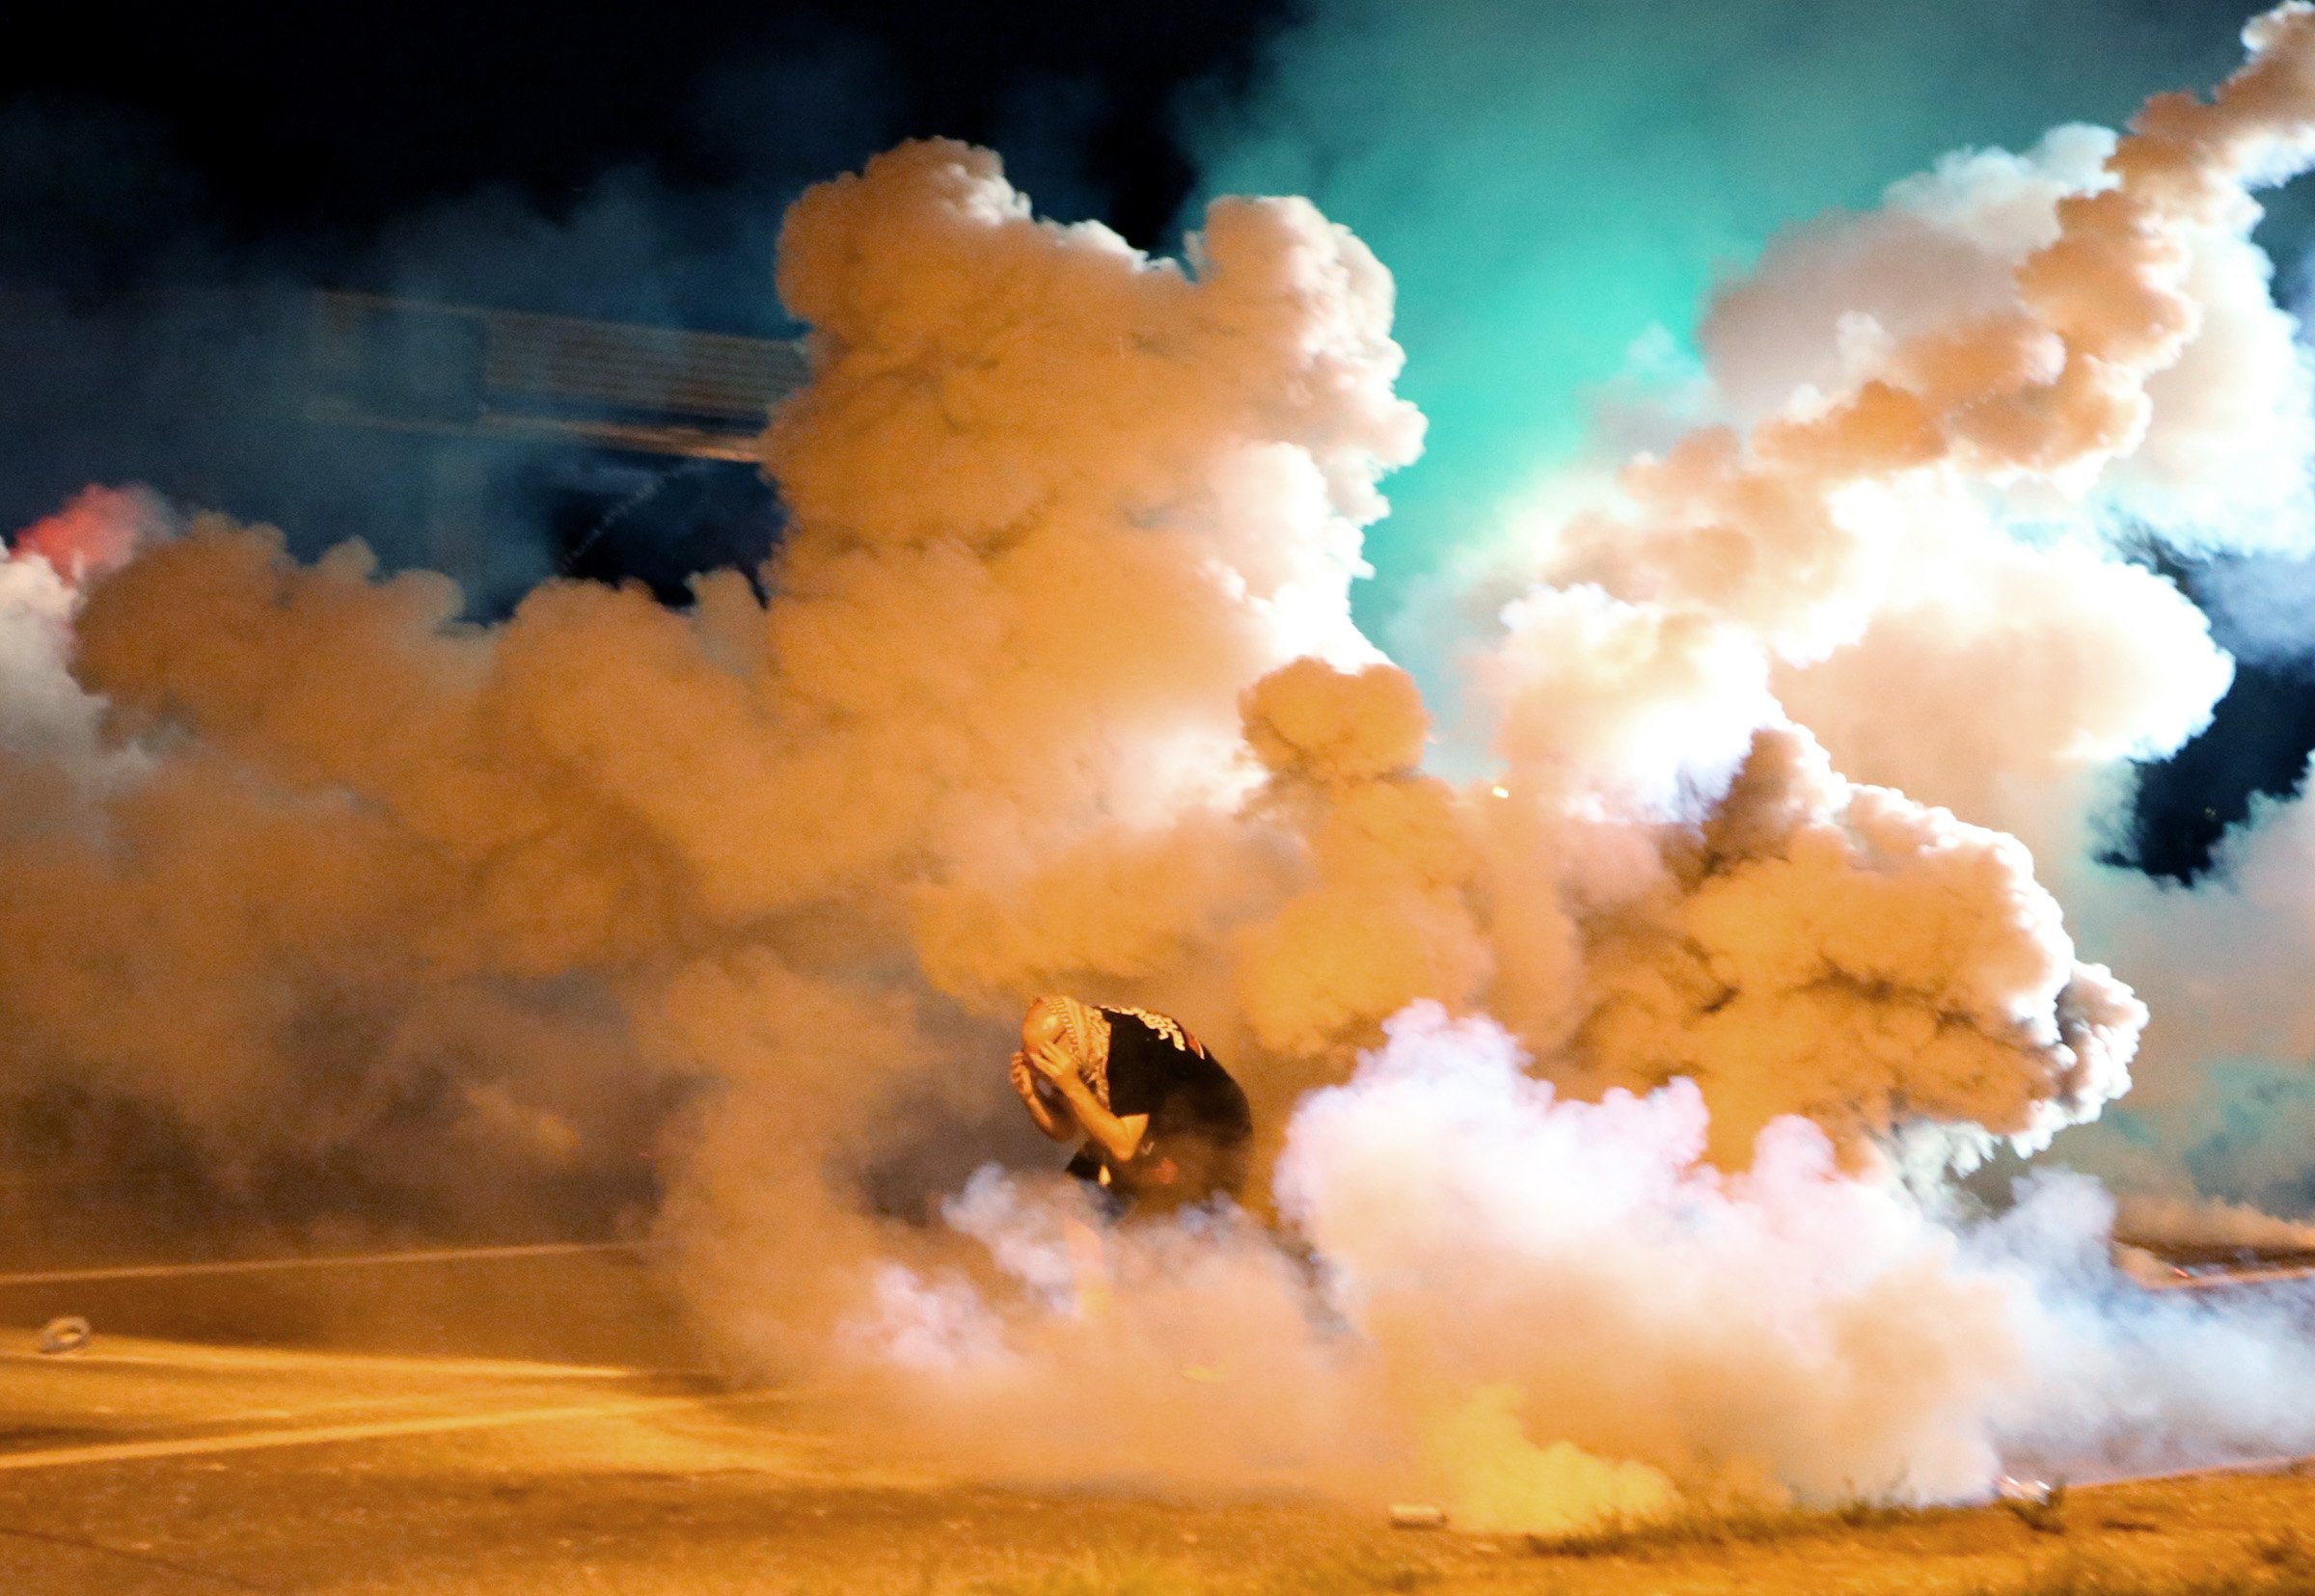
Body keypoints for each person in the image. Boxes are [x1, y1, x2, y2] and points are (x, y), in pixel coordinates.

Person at [1009, 995, 1252, 1215]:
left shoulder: (1129, 1052)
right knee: (1074, 1194)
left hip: (1213, 1137)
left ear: (1068, 1042)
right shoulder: (1085, 1038)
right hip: (1152, 1127)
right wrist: (1032, 1096)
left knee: (1165, 1214)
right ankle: (1088, 1248)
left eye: (1043, 1057)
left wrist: (1071, 1085)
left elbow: (1123, 1146)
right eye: (1032, 1058)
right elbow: (1066, 1128)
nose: (1039, 1068)